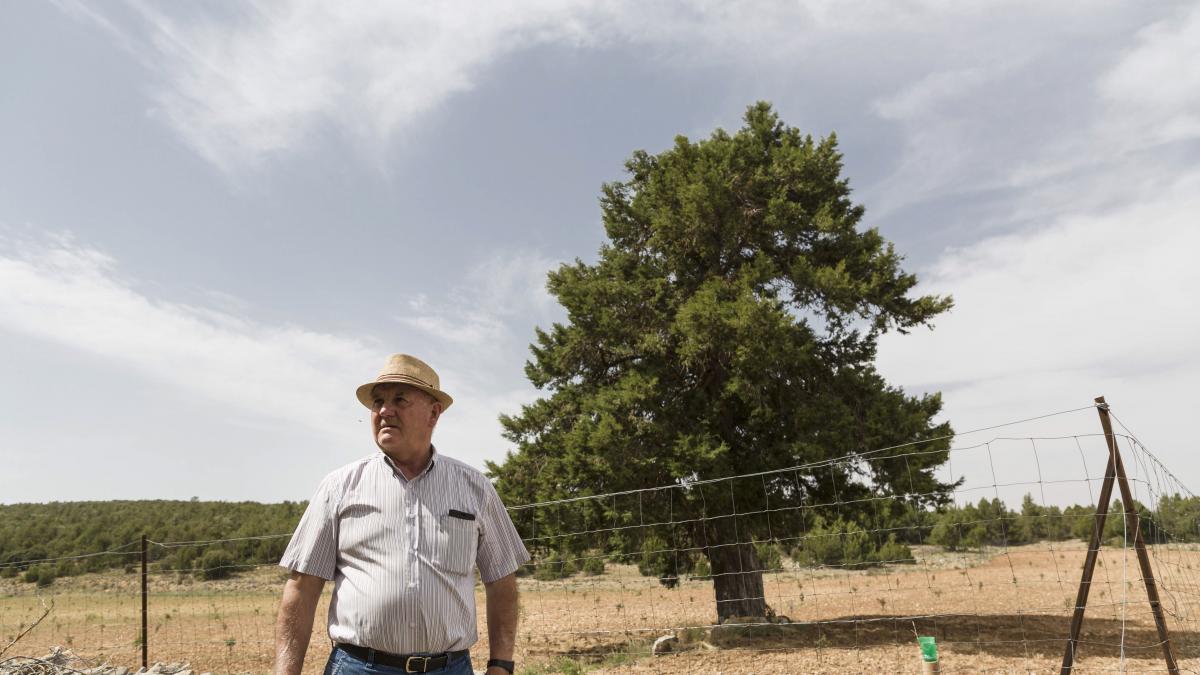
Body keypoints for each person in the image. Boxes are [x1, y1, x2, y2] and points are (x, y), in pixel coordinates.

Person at [274, 354, 530, 675]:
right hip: (359, 668)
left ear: (434, 413)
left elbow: (502, 580)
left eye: (399, 399)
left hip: (448, 669)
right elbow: (302, 588)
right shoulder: (340, 487)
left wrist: (501, 664)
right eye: (377, 401)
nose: (384, 410)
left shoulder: (474, 488)